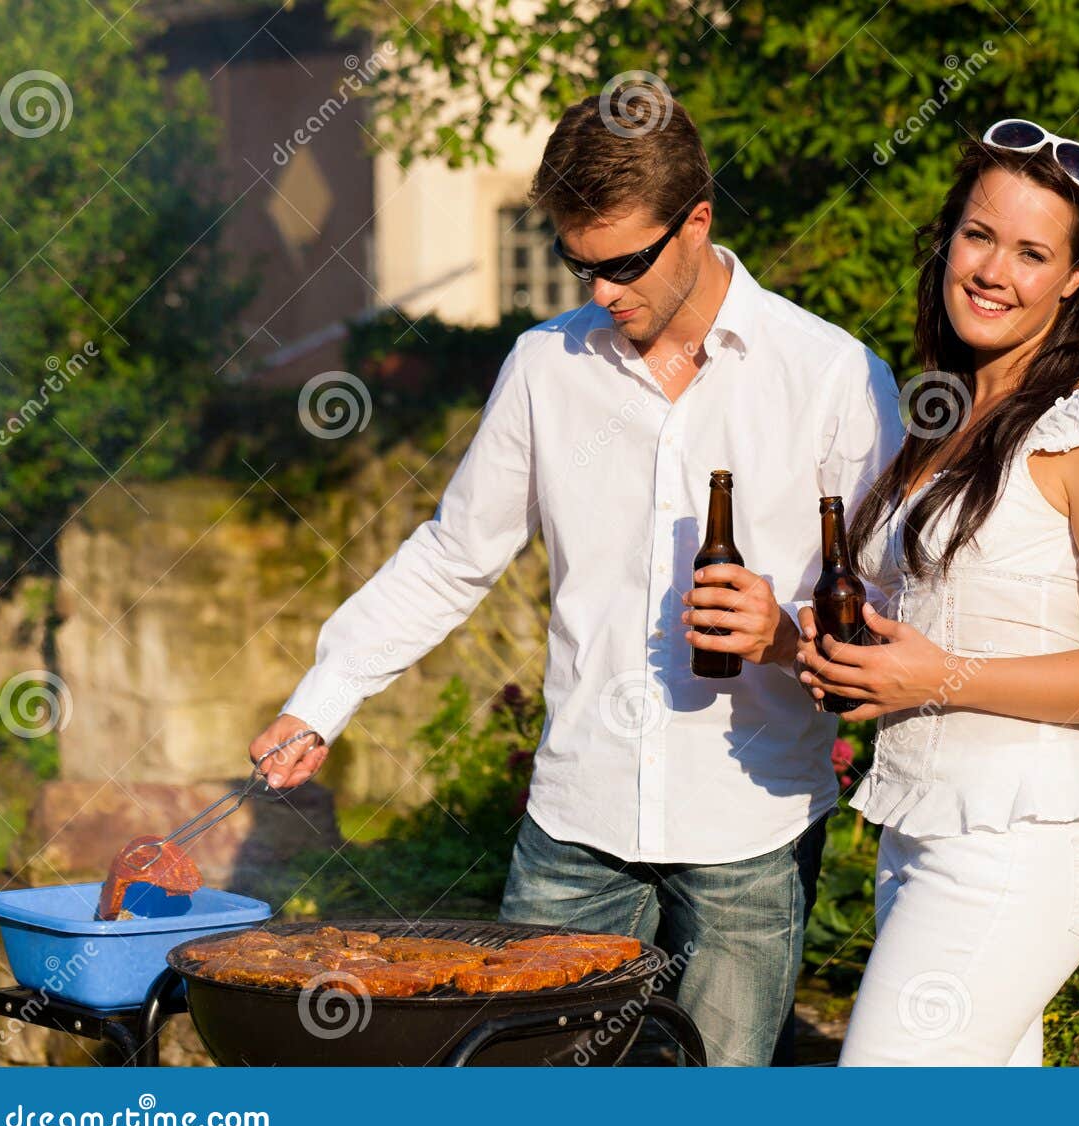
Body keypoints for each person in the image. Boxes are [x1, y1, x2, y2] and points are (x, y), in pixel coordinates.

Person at [249, 91, 902, 1066]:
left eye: (623, 263)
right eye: (578, 263)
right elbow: (452, 553)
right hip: (575, 822)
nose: (599, 291)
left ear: (697, 221)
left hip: (749, 826)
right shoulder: (543, 366)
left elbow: (890, 615)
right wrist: (324, 696)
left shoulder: (834, 378)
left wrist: (782, 627)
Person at [795, 119, 1079, 1065]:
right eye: (979, 236)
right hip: (919, 836)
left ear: (1073, 277)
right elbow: (925, 637)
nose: (993, 270)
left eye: (1032, 252)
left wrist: (940, 677)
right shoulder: (943, 414)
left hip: (1018, 845)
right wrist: (804, 646)